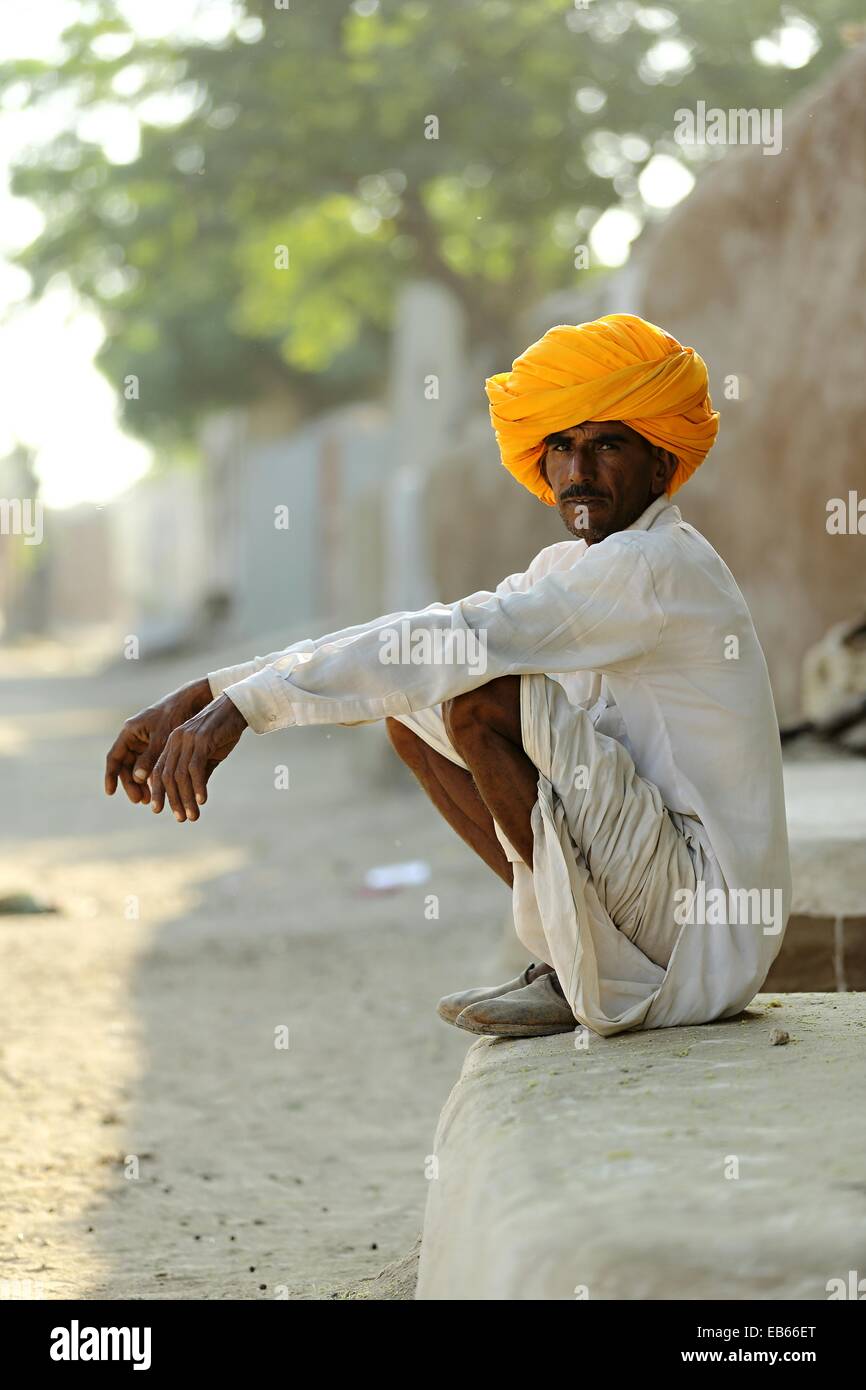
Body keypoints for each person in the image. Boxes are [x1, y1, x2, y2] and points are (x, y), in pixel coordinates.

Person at [104, 313, 791, 1039]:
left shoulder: (655, 565)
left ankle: (576, 964)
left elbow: (457, 643)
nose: (578, 472)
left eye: (606, 446)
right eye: (560, 447)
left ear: (659, 466)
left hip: (703, 926)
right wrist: (214, 692)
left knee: (481, 698)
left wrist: (245, 708)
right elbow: (425, 635)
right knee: (412, 706)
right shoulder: (576, 567)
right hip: (668, 899)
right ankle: (572, 953)